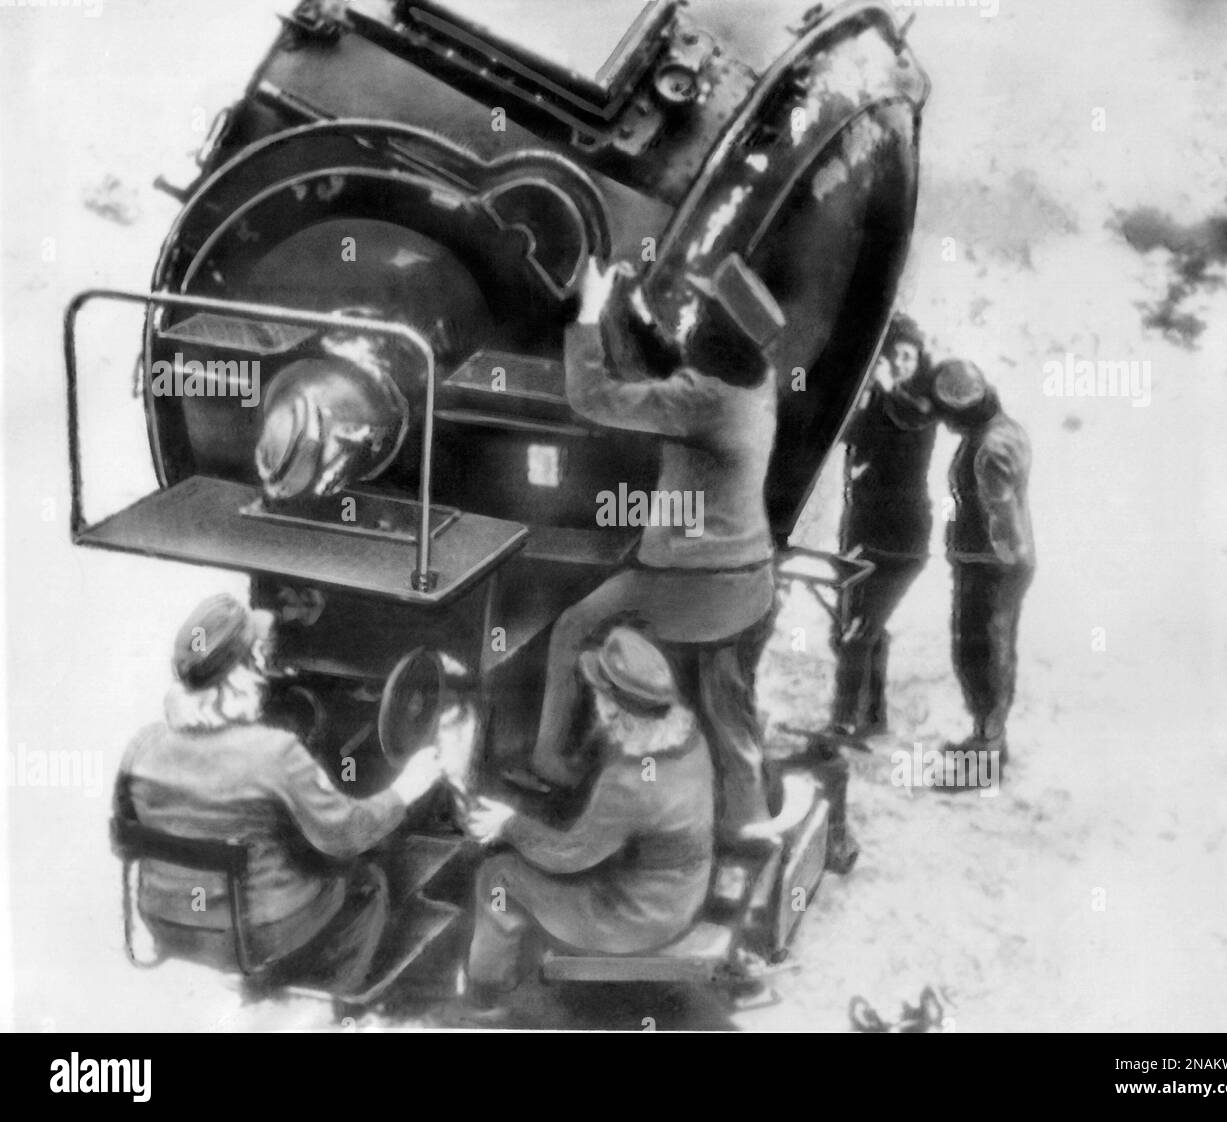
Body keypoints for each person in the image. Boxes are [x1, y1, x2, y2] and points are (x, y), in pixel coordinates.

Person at [513, 253, 787, 843]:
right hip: (753, 583)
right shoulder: (758, 378)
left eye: (702, 310)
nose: (690, 315)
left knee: (575, 627)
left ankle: (552, 764)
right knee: (726, 697)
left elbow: (593, 398)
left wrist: (589, 311)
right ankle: (747, 819)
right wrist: (635, 314)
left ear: (716, 331)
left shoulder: (698, 399)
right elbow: (674, 372)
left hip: (693, 587)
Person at [115, 594, 444, 995]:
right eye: (261, 656)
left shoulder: (141, 746)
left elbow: (130, 829)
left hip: (163, 925)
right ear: (247, 670)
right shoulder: (276, 754)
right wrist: (405, 789)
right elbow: (348, 835)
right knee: (368, 881)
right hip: (258, 939)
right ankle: (330, 984)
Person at [462, 627, 714, 1017]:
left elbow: (568, 856)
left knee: (498, 876)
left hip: (635, 919)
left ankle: (484, 997)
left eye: (599, 695)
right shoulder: (689, 740)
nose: (594, 701)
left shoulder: (626, 785)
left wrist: (509, 823)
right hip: (680, 895)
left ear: (613, 709)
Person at [824, 314, 938, 741]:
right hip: (866, 530)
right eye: (893, 355)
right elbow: (847, 433)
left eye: (908, 356)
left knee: (858, 631)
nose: (901, 363)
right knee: (863, 627)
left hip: (901, 540)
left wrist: (882, 388)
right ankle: (872, 718)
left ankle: (844, 721)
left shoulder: (921, 406)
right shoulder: (880, 402)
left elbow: (906, 423)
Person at [927, 360, 1034, 783]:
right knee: (990, 652)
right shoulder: (1004, 430)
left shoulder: (990, 448)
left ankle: (985, 757)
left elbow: (1001, 512)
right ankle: (987, 738)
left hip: (990, 567)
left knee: (981, 657)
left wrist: (998, 564)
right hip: (990, 564)